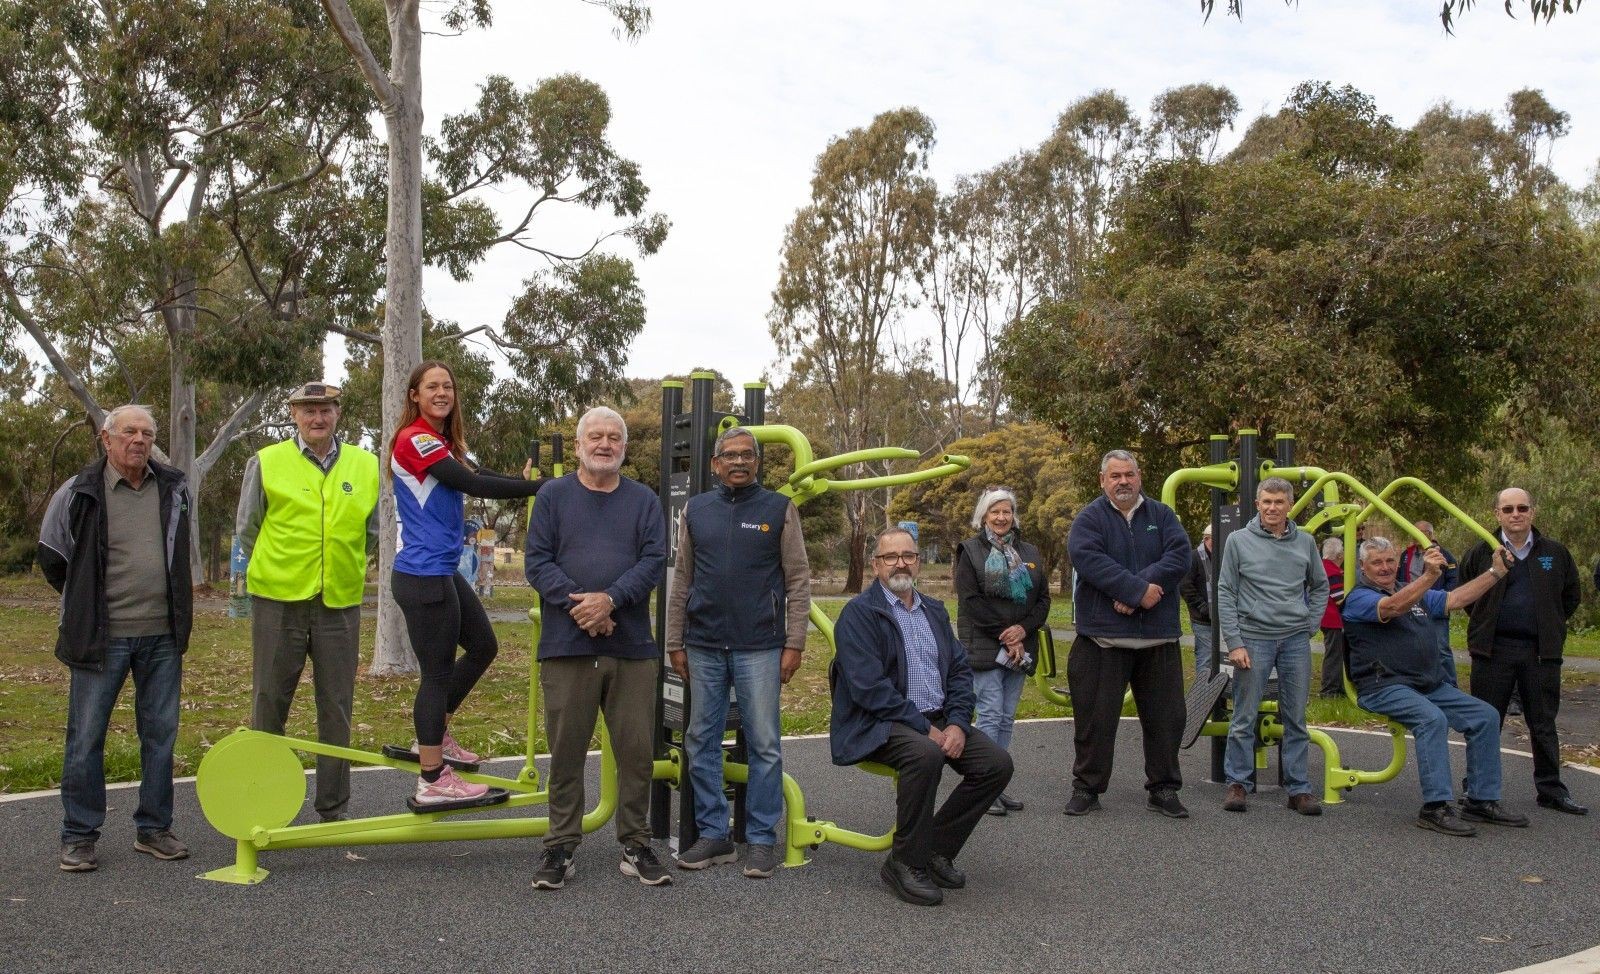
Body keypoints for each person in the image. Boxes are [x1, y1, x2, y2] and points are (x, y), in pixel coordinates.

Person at [38, 405, 193, 871]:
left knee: (160, 737)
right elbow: (52, 556)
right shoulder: (78, 491)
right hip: (100, 638)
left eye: (147, 433)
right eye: (129, 432)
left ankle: (154, 829)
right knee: (86, 738)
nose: (139, 440)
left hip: (162, 637)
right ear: (106, 439)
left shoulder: (174, 487)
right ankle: (79, 835)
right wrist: (85, 603)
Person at [830, 527, 1013, 906]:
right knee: (925, 753)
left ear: (917, 562)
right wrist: (924, 728)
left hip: (939, 718)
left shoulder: (934, 610)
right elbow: (869, 688)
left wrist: (958, 723)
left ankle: (934, 850)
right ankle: (904, 862)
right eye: (890, 557)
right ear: (876, 565)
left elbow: (959, 672)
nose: (900, 563)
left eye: (908, 556)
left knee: (996, 764)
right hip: (879, 722)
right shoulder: (860, 614)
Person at [526, 406, 670, 889]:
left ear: (624, 448)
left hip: (632, 648)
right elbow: (537, 562)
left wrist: (611, 600)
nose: (605, 444)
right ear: (579, 444)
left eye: (613, 437)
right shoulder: (552, 496)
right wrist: (585, 607)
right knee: (566, 752)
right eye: (596, 436)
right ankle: (560, 846)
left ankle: (636, 843)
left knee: (636, 753)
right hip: (566, 647)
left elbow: (653, 561)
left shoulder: (644, 500)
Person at [389, 361, 542, 809]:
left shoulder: (443, 444)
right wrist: (543, 489)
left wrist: (529, 483)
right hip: (422, 574)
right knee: (436, 673)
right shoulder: (415, 438)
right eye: (431, 387)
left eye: (448, 386)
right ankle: (433, 778)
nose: (442, 393)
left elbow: (482, 473)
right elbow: (472, 484)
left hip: (440, 570)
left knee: (483, 646)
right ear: (415, 395)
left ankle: (435, 736)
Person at [665, 427, 810, 879]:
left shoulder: (778, 509)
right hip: (703, 644)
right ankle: (715, 834)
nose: (739, 461)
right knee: (700, 740)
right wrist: (674, 641)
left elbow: (798, 579)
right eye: (730, 455)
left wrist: (795, 642)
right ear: (715, 464)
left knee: (764, 744)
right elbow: (682, 578)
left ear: (758, 462)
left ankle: (762, 839)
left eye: (748, 455)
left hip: (760, 646)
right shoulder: (696, 510)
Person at [237, 382, 378, 823]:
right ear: (294, 415)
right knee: (269, 703)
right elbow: (248, 528)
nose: (318, 418)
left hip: (339, 602)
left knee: (337, 707)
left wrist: (341, 565)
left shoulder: (366, 464)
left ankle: (333, 808)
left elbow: (371, 531)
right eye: (308, 410)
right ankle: (264, 804)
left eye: (326, 409)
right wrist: (281, 565)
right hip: (278, 602)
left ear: (338, 414)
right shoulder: (266, 461)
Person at [1344, 537, 1527, 835]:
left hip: (1426, 684)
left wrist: (1496, 572)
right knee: (1432, 719)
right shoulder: (1359, 598)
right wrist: (1430, 576)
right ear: (1363, 567)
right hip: (1383, 686)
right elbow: (1392, 607)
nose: (1385, 567)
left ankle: (1480, 800)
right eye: (1376, 562)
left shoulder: (1413, 590)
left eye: (1390, 560)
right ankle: (1435, 807)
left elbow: (1455, 599)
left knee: (1485, 716)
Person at [1063, 450, 1192, 818]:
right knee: (1094, 722)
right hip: (1102, 641)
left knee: (1166, 722)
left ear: (1139, 477)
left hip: (1158, 641)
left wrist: (1141, 590)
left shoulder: (1163, 516)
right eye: (1115, 476)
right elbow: (1088, 559)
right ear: (1102, 480)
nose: (1123, 482)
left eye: (1129, 475)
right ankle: (1087, 788)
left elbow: (1180, 556)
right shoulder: (1089, 519)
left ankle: (1164, 789)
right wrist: (1136, 591)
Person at [1460, 488, 1586, 816]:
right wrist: (1488, 623)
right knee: (1486, 722)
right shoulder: (1481, 552)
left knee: (1543, 724)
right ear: (1497, 514)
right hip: (1493, 651)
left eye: (1522, 508)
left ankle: (1551, 790)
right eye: (1508, 509)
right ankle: (1477, 788)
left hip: (1540, 652)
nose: (1515, 514)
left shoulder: (1555, 553)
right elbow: (1466, 595)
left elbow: (1570, 595)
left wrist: (1548, 623)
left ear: (1532, 511)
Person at [1216, 477, 1329, 816]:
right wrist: (1235, 642)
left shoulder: (1305, 542)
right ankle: (1238, 783)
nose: (1272, 508)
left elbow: (1320, 586)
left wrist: (1310, 624)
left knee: (1295, 717)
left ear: (1290, 505)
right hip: (1254, 638)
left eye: (1279, 502)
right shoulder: (1238, 541)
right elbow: (1226, 591)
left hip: (1294, 639)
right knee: (1244, 715)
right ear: (1257, 504)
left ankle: (1298, 788)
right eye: (1266, 501)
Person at [952, 486, 1049, 817]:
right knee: (990, 714)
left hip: (1020, 646)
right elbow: (970, 601)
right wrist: (1006, 635)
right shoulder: (970, 551)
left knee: (1007, 717)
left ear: (1014, 516)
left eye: (1007, 511)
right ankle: (981, 784)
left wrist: (1023, 630)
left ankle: (996, 783)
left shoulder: (1029, 552)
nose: (1001, 517)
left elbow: (1043, 599)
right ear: (984, 516)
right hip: (984, 645)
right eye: (995, 511)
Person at [1398, 520, 1459, 686]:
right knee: (1412, 645)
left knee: (1441, 648)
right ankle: (1419, 682)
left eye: (1420, 532)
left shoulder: (1443, 555)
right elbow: (1400, 578)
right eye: (1414, 531)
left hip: (1435, 605)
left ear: (1430, 534)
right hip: (1411, 605)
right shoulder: (1406, 555)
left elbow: (1454, 579)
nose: (1415, 535)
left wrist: (1443, 597)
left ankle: (1450, 684)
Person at [1178, 524, 1216, 683]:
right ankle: (1202, 693)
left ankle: (1218, 693)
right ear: (1206, 539)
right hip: (1202, 619)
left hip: (1221, 618)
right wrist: (1203, 608)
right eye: (1214, 540)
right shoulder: (1194, 557)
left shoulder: (1222, 557)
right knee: (1205, 659)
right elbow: (1185, 586)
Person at [1317, 537, 1347, 698]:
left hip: (1326, 618)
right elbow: (1340, 599)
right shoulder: (1333, 572)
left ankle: (1337, 686)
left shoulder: (1322, 567)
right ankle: (1330, 689)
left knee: (1335, 653)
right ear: (1339, 555)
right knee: (1334, 655)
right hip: (1334, 620)